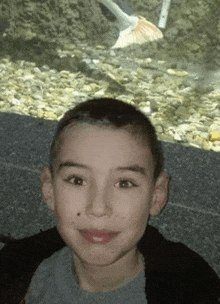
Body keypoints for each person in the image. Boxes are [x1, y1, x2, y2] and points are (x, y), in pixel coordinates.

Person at [3, 97, 219, 303]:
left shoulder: (197, 293)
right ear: (49, 189)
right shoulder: (14, 270)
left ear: (157, 195)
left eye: (124, 183)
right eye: (77, 180)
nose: (98, 208)